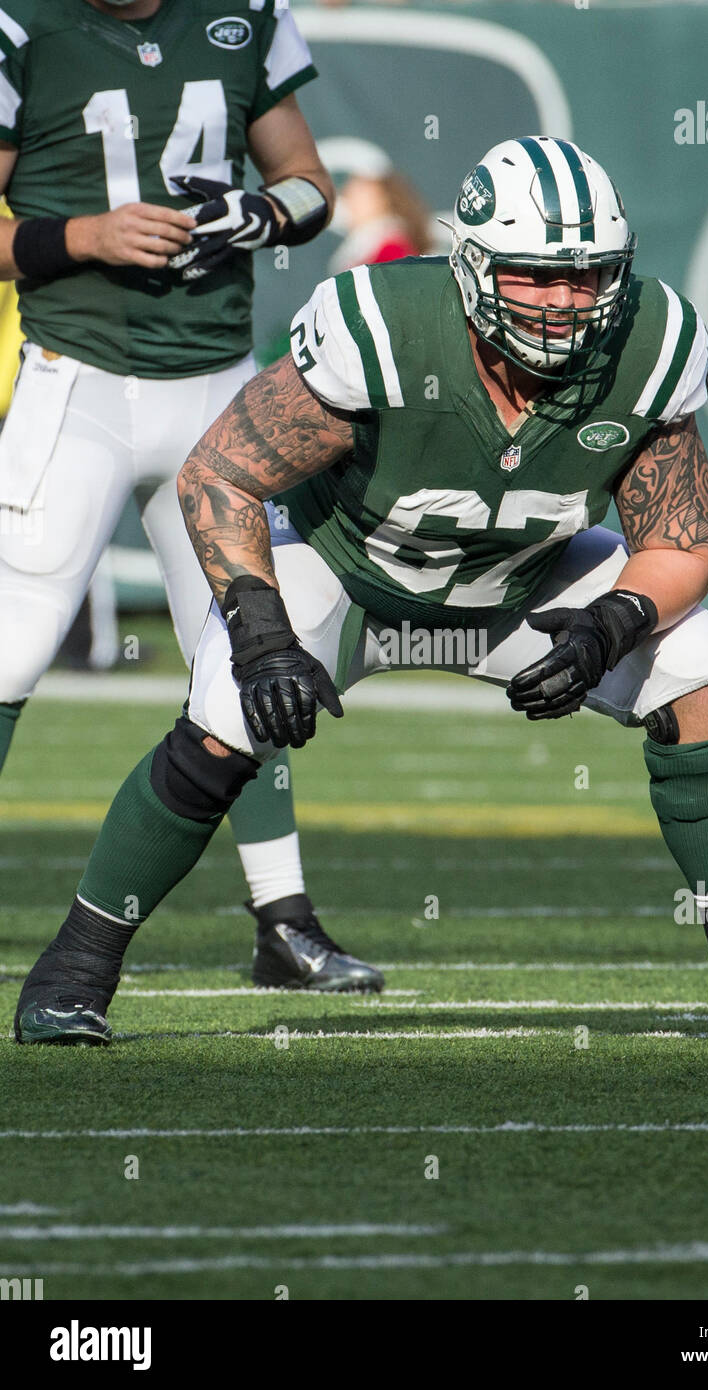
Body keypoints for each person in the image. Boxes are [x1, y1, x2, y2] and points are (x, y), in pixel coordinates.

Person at [14, 135, 708, 1051]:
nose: (567, 302)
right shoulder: (387, 323)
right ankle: (74, 972)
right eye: (536, 276)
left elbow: (680, 543)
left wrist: (613, 623)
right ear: (475, 264)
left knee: (701, 668)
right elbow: (219, 477)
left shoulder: (652, 341)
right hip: (344, 568)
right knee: (224, 714)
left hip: (515, 586)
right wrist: (262, 636)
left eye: (589, 276)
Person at [0, 0, 383, 996]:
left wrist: (254, 213)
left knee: (256, 656)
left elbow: (308, 185)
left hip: (220, 390)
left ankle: (283, 922)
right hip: (77, 378)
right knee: (12, 648)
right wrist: (86, 233)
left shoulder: (245, 14)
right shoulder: (21, 24)